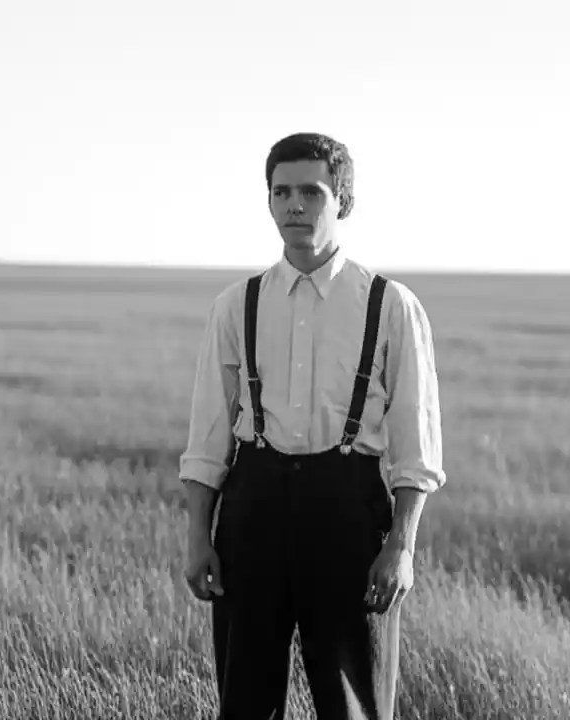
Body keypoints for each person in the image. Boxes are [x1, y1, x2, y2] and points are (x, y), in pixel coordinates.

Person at [178, 131, 446, 720]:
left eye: (311, 192)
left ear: (341, 200)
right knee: (245, 705)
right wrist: (199, 536)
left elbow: (414, 443)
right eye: (281, 192)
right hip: (253, 513)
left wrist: (402, 543)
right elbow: (208, 439)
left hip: (348, 515)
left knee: (355, 705)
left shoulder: (388, 304)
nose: (294, 205)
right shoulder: (236, 305)